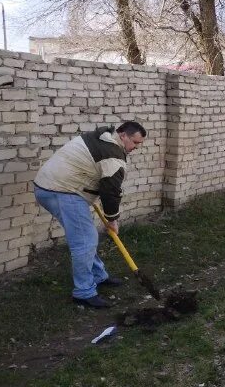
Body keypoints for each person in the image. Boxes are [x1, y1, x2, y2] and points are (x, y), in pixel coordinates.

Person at [33, 122, 147, 308]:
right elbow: (110, 191)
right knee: (85, 241)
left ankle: (98, 276)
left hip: (51, 186)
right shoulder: (113, 156)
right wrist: (112, 220)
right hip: (62, 190)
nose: (136, 147)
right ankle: (84, 292)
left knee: (85, 237)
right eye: (135, 142)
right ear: (123, 135)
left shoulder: (103, 135)